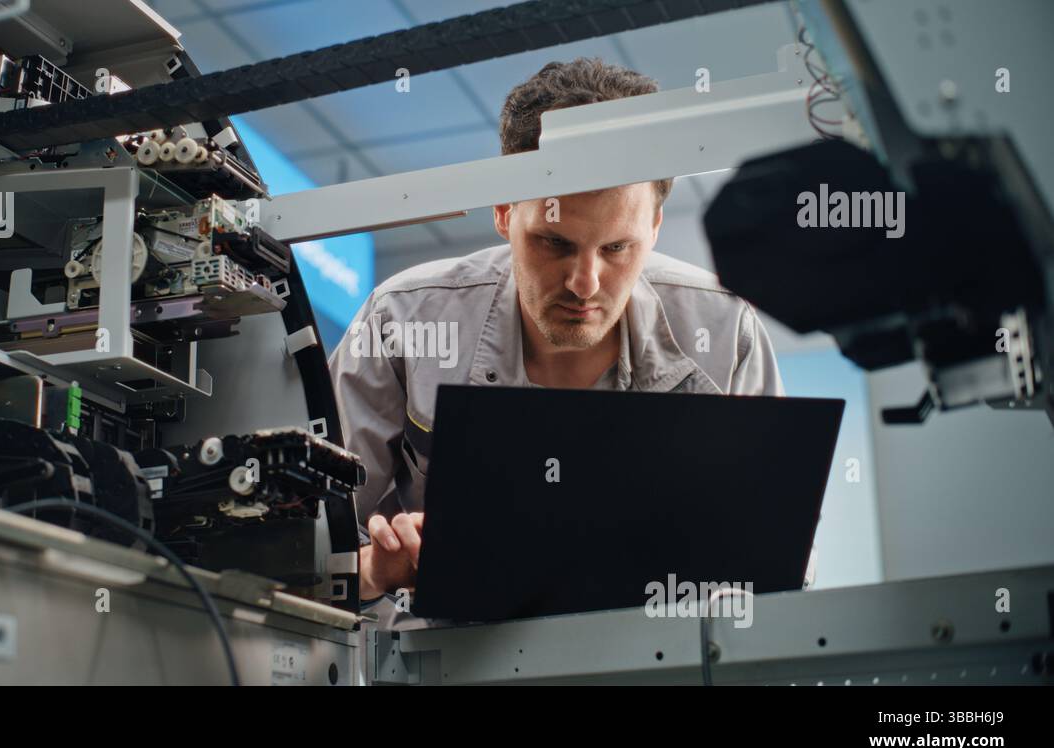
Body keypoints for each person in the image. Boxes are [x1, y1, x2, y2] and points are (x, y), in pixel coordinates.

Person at [328, 58, 784, 606]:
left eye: (617, 248)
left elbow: (776, 561)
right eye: (555, 242)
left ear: (655, 227)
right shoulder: (400, 323)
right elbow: (310, 558)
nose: (585, 283)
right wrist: (377, 569)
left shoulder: (725, 330)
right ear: (503, 211)